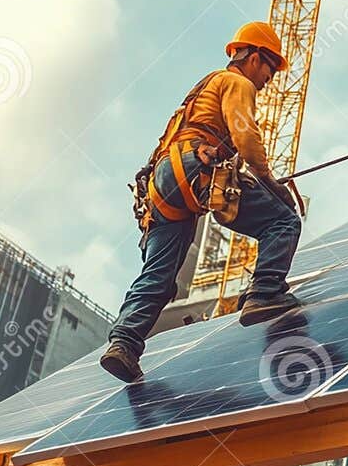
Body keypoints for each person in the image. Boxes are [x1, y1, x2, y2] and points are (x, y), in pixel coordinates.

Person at [100, 21, 303, 383]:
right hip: (197, 170)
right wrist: (270, 181)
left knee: (159, 277)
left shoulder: (201, 91)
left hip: (164, 185)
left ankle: (123, 344)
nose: (269, 79)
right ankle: (265, 292)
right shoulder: (236, 83)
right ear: (255, 57)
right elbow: (245, 133)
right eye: (269, 69)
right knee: (284, 221)